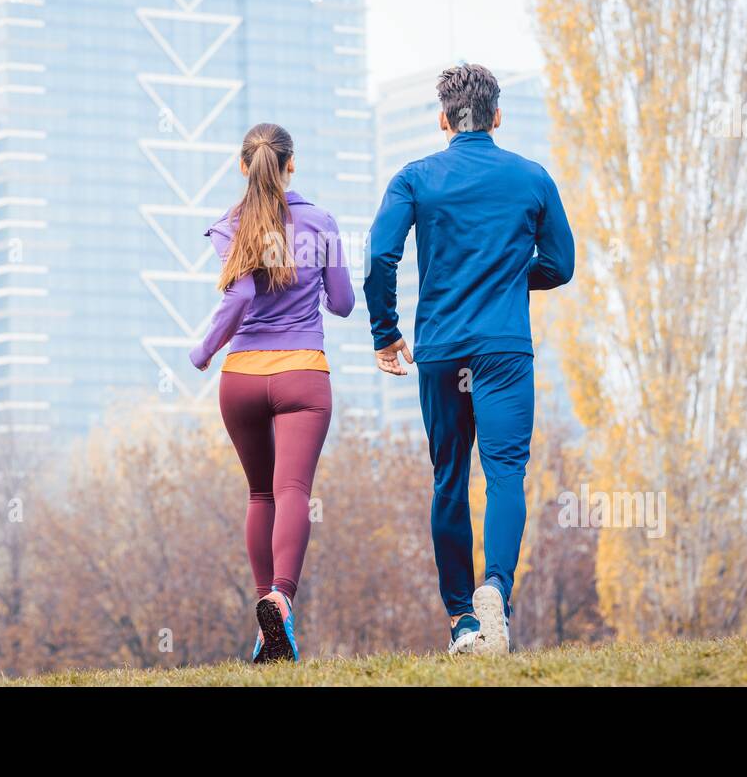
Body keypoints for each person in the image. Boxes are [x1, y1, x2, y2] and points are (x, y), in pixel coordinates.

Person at [363, 64, 575, 655]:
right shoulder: (532, 177)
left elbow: (380, 255)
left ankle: (461, 619)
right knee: (506, 474)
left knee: (450, 479)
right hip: (505, 349)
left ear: (443, 120)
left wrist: (386, 332)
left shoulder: (416, 178)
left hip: (441, 351)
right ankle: (496, 593)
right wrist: (507, 279)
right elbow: (561, 264)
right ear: (497, 116)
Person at [190, 122, 355, 663]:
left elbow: (237, 297)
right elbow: (344, 302)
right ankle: (280, 599)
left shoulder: (230, 226)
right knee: (292, 491)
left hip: (241, 379)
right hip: (302, 375)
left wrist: (205, 349)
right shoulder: (321, 222)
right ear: (292, 164)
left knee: (260, 494)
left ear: (244, 166)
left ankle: (267, 626)